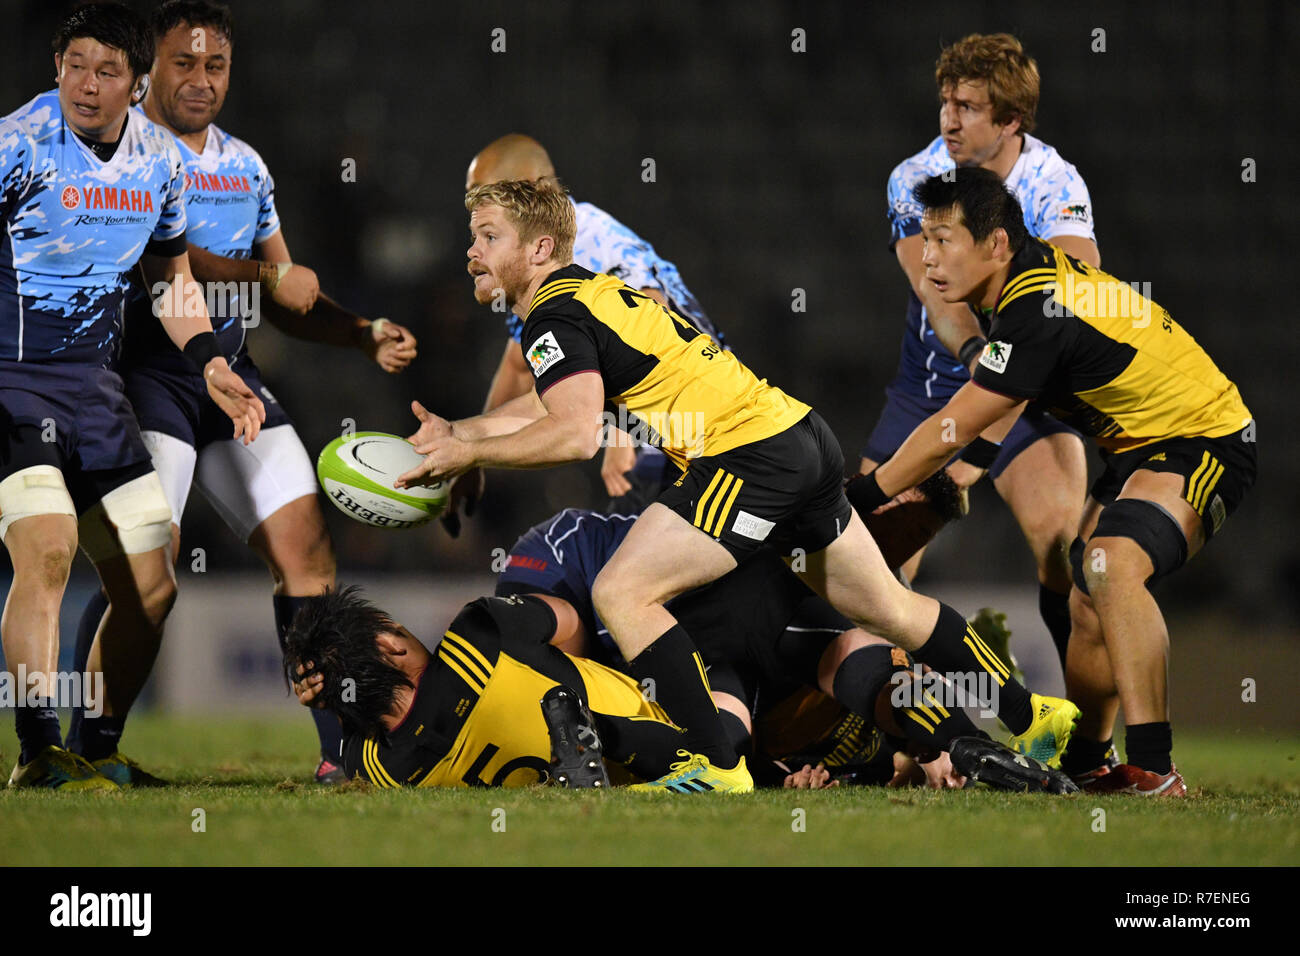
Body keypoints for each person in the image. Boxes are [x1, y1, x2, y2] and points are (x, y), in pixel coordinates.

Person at [394, 177, 1078, 793]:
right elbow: (563, 408)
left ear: (539, 248)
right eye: (474, 238)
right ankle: (1036, 716)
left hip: (747, 460)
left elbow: (573, 433)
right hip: (800, 437)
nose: (473, 253)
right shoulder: (597, 292)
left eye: (489, 237)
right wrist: (466, 434)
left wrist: (463, 455)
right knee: (893, 611)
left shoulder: (552, 317)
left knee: (622, 591)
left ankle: (714, 765)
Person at [65, 0, 417, 785]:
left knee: (307, 553)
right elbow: (177, 265)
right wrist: (266, 277)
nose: (199, 79)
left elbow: (284, 299)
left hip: (233, 383)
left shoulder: (245, 167)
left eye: (214, 65)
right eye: (182, 64)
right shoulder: (112, 155)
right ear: (149, 69)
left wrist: (359, 333)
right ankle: (86, 753)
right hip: (144, 380)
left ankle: (339, 758)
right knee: (142, 572)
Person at [852, 168, 1255, 796]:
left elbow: (955, 425)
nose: (927, 258)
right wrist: (947, 482)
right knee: (1085, 597)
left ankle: (1154, 769)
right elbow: (991, 420)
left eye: (944, 239)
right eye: (924, 239)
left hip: (1204, 441)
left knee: (1109, 565)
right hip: (1139, 448)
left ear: (996, 245)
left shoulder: (1034, 306)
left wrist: (864, 497)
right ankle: (1090, 763)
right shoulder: (1025, 292)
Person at [0, 2, 264, 789]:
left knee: (151, 588)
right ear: (57, 68)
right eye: (74, 65)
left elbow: (171, 276)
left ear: (137, 82)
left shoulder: (158, 163)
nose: (86, 84)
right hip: (13, 384)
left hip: (96, 397)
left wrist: (213, 362)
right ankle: (38, 752)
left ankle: (99, 745)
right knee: (45, 552)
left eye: (107, 70)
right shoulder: (16, 144)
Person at [495, 506, 1075, 793]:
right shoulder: (864, 739)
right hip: (746, 641)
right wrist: (934, 754)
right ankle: (979, 741)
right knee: (737, 732)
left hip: (731, 615)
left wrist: (927, 756)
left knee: (855, 653)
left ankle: (984, 734)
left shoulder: (569, 558)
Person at [863, 34, 1098, 674]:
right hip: (934, 386)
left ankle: (1086, 747)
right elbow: (936, 295)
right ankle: (894, 737)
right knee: (868, 563)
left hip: (1033, 396)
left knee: (1064, 554)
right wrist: (977, 359)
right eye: (945, 102)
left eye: (967, 106)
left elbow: (1076, 292)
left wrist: (1001, 391)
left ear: (1010, 120)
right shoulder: (915, 178)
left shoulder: (1054, 182)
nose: (948, 120)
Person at [444, 133, 724, 530]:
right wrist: (473, 456)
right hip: (672, 430)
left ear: (529, 186)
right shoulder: (532, 261)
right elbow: (520, 368)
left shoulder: (584, 235)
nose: (473, 203)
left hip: (690, 425)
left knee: (611, 575)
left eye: (483, 189)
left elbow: (652, 312)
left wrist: (623, 433)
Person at [284, 586, 692, 789]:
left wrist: (335, 698)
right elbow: (568, 619)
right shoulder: (478, 633)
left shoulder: (377, 769)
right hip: (663, 722)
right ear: (388, 642)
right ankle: (598, 731)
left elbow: (356, 732)